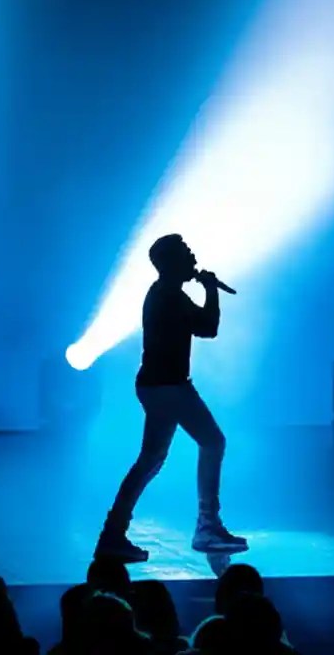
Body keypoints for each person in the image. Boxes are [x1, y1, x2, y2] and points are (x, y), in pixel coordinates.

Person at [96, 234, 248, 562]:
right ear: (171, 262)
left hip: (161, 386)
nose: (193, 256)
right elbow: (208, 327)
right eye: (185, 253)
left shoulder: (166, 293)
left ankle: (113, 533)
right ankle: (207, 525)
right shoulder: (170, 297)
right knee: (210, 442)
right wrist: (209, 289)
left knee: (151, 459)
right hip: (168, 387)